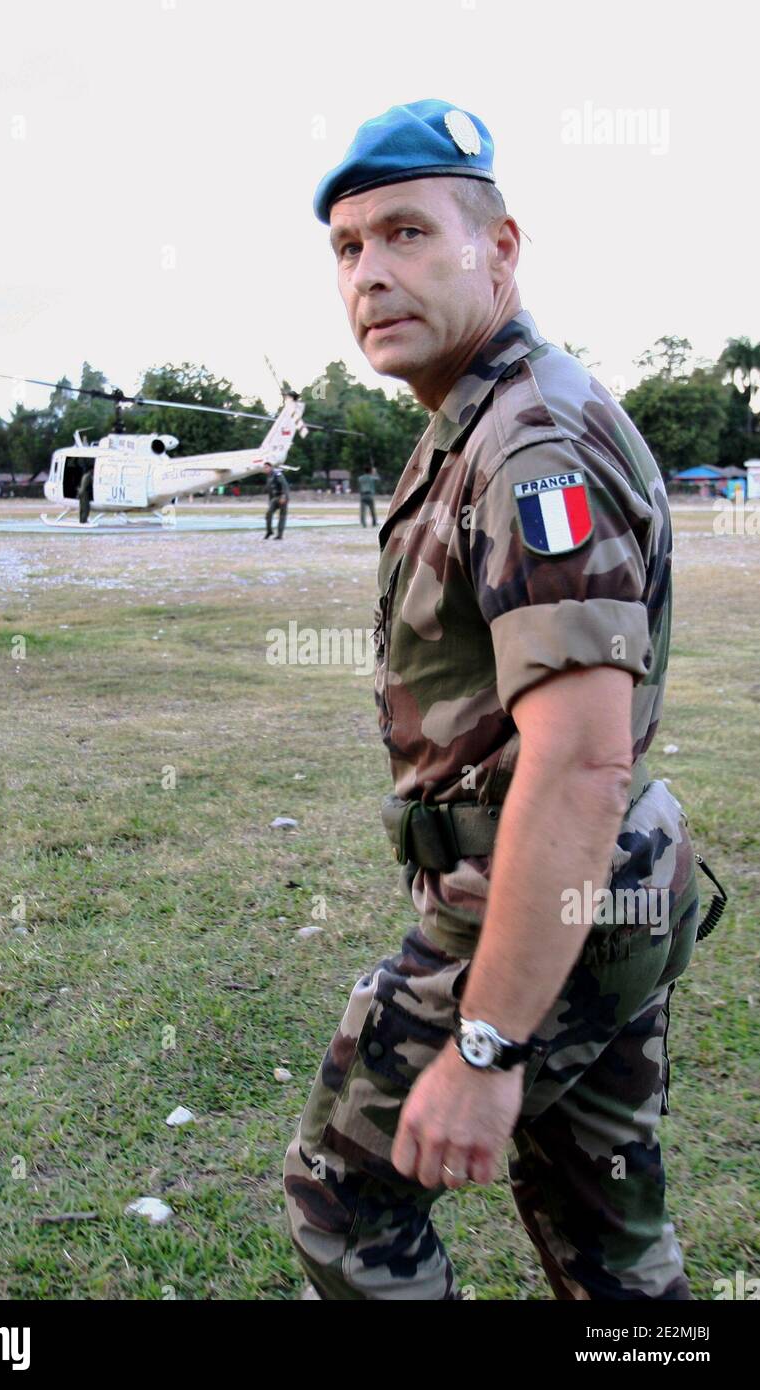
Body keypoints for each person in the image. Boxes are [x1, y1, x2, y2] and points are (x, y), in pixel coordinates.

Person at [283, 99, 704, 1300]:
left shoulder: (527, 443)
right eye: (348, 248)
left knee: (344, 1201)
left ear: (500, 248)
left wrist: (482, 1042)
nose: (370, 273)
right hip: (600, 891)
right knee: (607, 1243)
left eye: (408, 233)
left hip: (535, 897)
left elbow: (579, 759)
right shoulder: (487, 417)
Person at [263, 460, 289, 539]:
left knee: (282, 516)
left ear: (270, 467)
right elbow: (270, 491)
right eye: (264, 468)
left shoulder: (277, 473)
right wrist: (270, 501)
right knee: (268, 514)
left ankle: (280, 535)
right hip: (275, 498)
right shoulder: (269, 476)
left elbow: (284, 485)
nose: (265, 469)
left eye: (266, 467)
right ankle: (269, 531)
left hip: (282, 497)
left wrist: (284, 496)